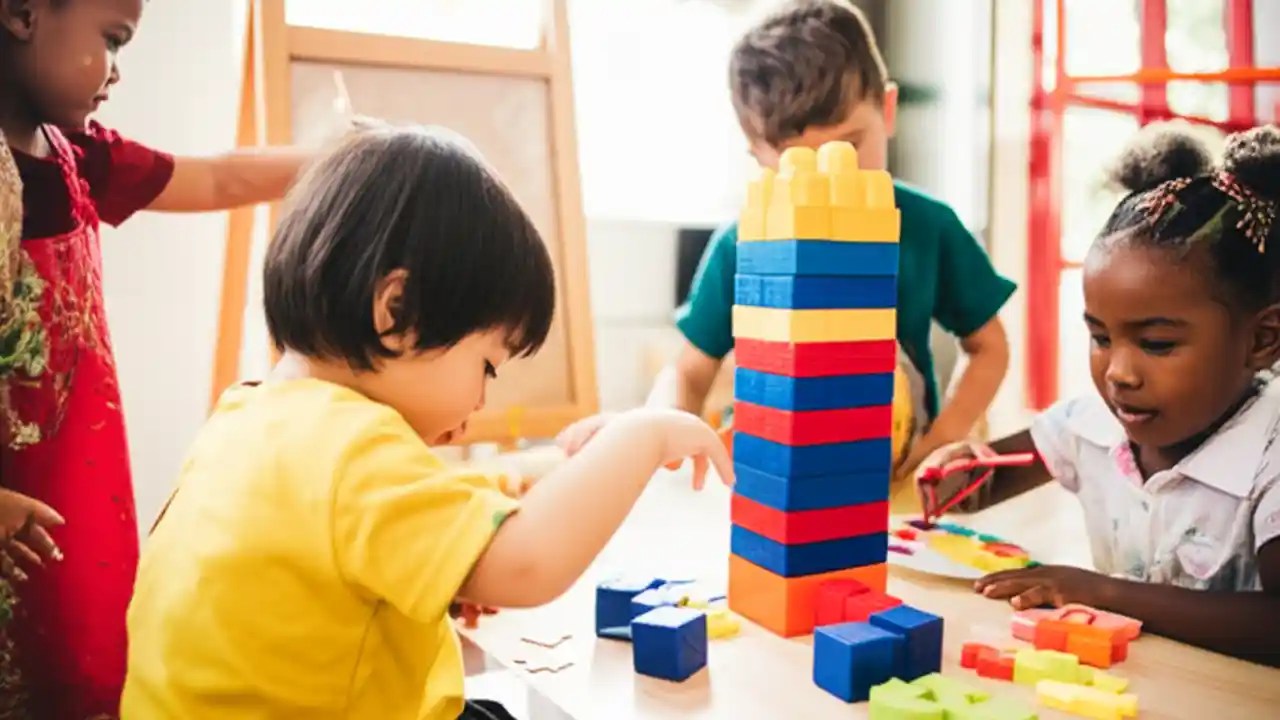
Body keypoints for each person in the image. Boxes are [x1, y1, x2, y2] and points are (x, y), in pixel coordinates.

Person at [122, 125, 734, 720]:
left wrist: (564, 469)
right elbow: (527, 564)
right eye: (488, 366)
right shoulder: (350, 446)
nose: (482, 401)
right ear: (397, 311)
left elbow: (421, 510)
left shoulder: (248, 413)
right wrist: (643, 433)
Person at [560, 0, 1015, 493]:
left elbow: (988, 346)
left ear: (886, 111)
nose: (830, 178)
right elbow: (690, 371)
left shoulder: (930, 226)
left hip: (893, 480)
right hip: (773, 478)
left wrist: (943, 438)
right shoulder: (743, 241)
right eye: (801, 163)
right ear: (757, 153)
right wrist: (650, 428)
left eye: (851, 146)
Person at [1, 1, 315, 715]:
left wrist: (339, 160)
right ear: (21, 13)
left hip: (72, 495)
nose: (116, 73)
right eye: (111, 42)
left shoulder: (76, 153)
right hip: (12, 515)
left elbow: (218, 178)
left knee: (87, 666)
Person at [917, 123, 1280, 666]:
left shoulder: (1270, 456)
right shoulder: (1092, 423)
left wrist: (1105, 593)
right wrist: (960, 472)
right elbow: (986, 477)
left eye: (1156, 343)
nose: (1119, 373)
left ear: (1261, 340)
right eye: (1101, 337)